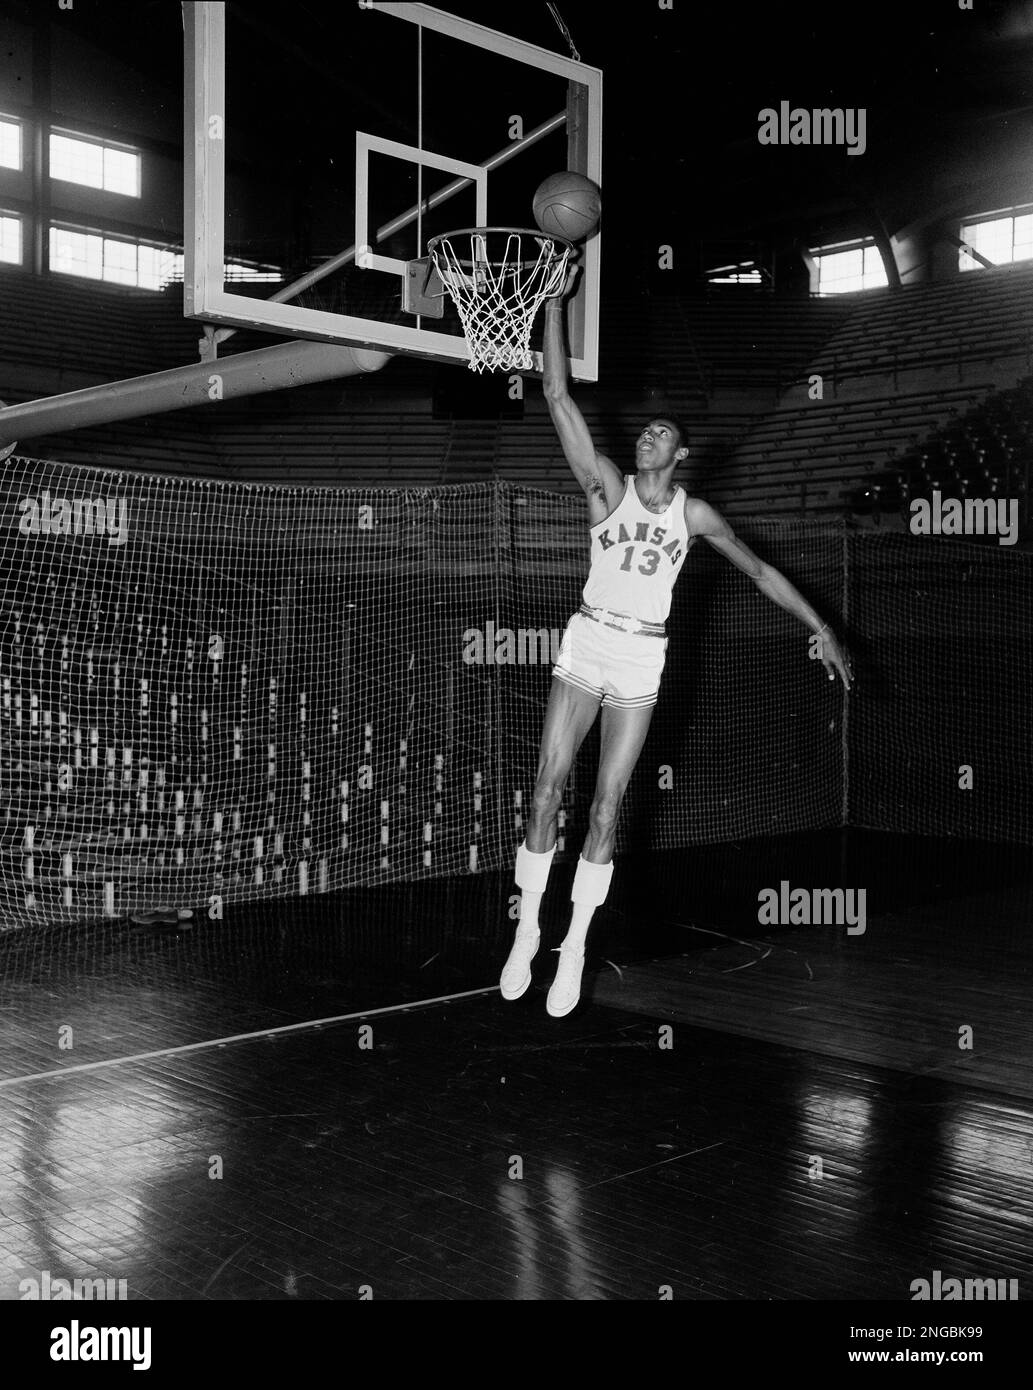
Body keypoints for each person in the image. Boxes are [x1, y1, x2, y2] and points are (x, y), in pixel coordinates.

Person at [500, 269, 852, 1017]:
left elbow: (758, 571)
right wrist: (556, 307)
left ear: (680, 454)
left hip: (639, 657)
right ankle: (528, 925)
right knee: (544, 791)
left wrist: (819, 627)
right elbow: (558, 396)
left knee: (605, 810)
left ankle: (575, 945)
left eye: (661, 432)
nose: (646, 435)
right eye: (643, 430)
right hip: (587, 640)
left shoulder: (692, 516)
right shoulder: (603, 485)